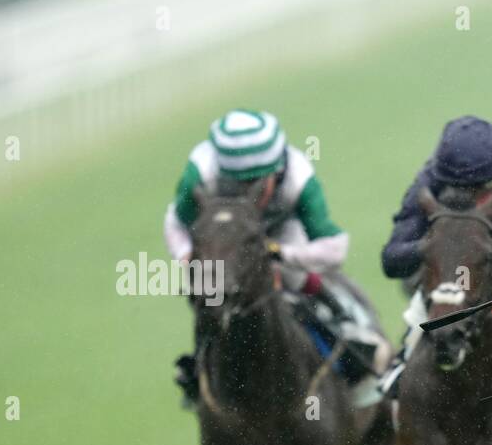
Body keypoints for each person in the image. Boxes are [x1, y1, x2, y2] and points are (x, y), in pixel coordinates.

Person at [164, 108, 382, 405]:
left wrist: (280, 253)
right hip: (224, 235)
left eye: (252, 186)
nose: (244, 196)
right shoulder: (198, 176)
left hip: (280, 232)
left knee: (296, 276)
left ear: (276, 174)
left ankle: (343, 329)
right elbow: (176, 222)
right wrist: (188, 257)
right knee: (209, 291)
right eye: (235, 186)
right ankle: (200, 368)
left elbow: (335, 247)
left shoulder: (298, 179)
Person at [378, 116, 492, 396]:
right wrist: (431, 249)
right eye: (459, 190)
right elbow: (392, 258)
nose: (470, 199)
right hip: (453, 250)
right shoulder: (428, 182)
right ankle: (403, 362)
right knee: (429, 297)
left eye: (480, 190)